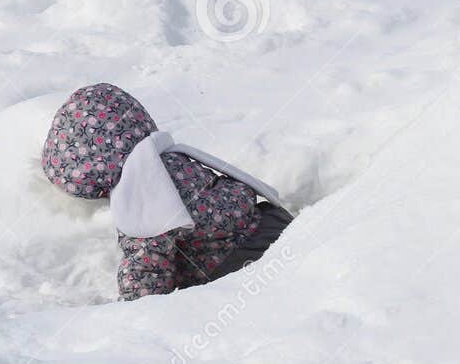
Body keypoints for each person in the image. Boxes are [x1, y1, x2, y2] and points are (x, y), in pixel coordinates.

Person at [41, 83, 294, 300]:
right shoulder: (168, 160)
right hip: (271, 222)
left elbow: (147, 267)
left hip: (238, 262)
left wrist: (135, 314)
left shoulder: (142, 193)